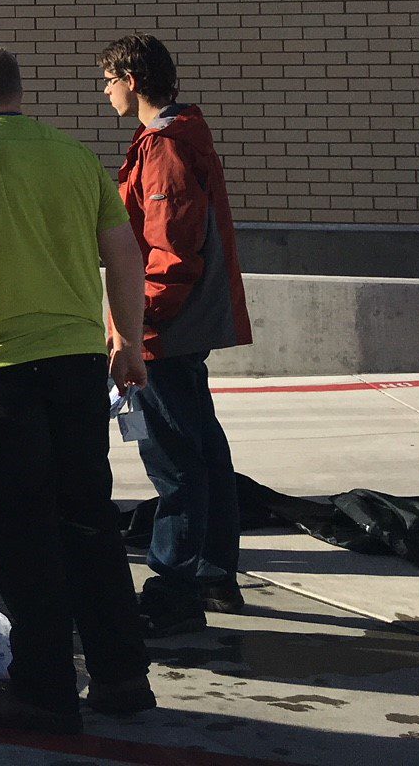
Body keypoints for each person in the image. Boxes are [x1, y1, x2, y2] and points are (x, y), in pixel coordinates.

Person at [0, 45, 153, 734]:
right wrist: (127, 341)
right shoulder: (74, 157)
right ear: (17, 92)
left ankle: (43, 688)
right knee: (88, 517)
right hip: (76, 360)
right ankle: (121, 674)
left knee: (20, 529)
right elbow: (124, 253)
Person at [100, 33, 253, 637]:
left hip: (165, 331)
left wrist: (136, 326)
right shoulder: (175, 139)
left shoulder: (165, 147)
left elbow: (169, 252)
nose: (105, 92)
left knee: (174, 461)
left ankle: (174, 589)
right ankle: (214, 575)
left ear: (132, 80)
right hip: (181, 328)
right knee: (204, 450)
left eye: (109, 80)